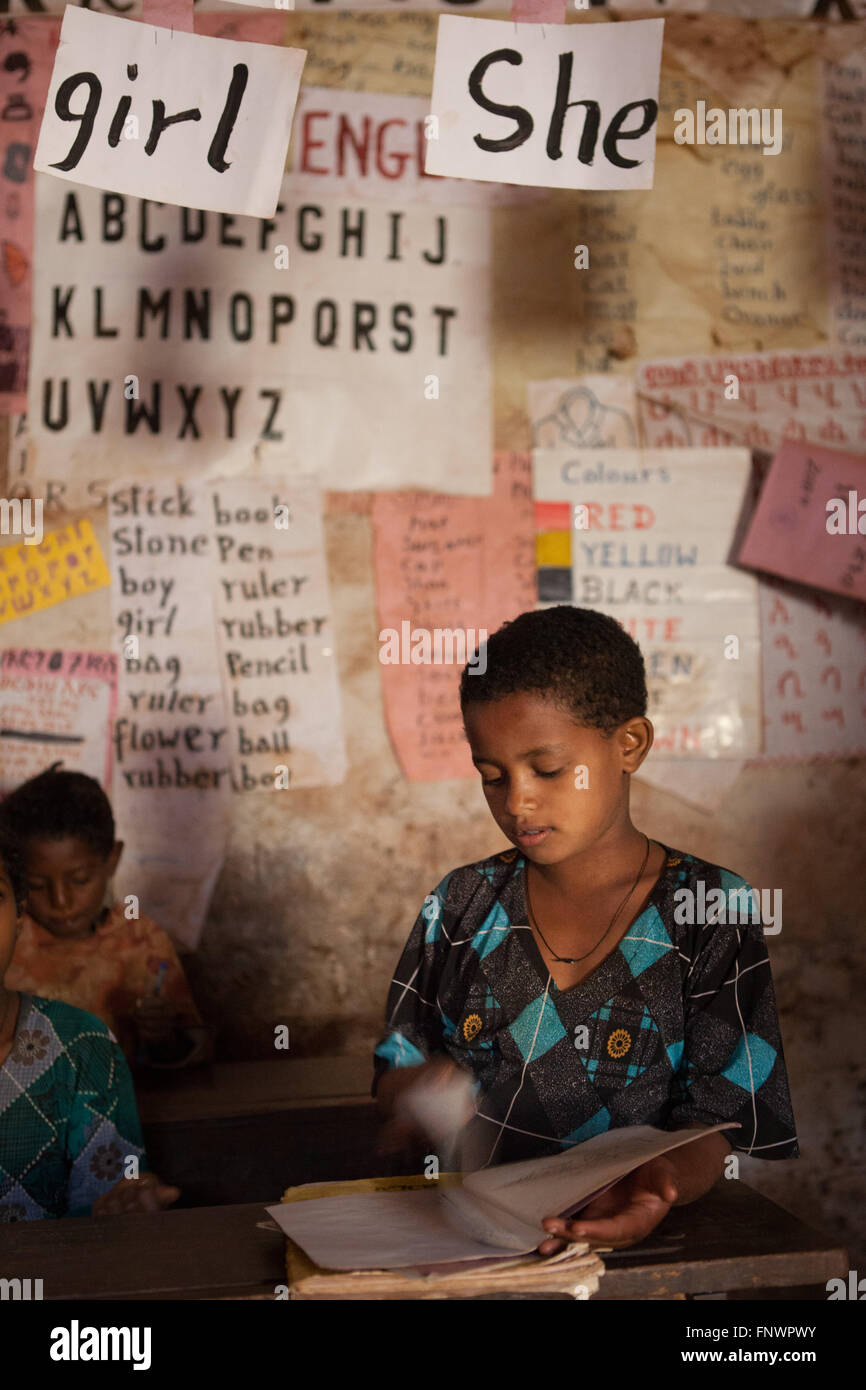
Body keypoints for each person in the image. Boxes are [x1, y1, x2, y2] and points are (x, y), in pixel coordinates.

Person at [373, 606, 798, 1253]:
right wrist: (415, 1091)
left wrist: (658, 1184)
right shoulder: (460, 905)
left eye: (546, 769)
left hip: (633, 1256)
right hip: (460, 1254)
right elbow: (397, 1063)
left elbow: (720, 1120)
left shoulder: (711, 908)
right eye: (493, 776)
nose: (517, 801)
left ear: (628, 745)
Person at [0, 828, 180, 1219]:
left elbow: (107, 1203)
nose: (62, 901)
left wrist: (115, 1211)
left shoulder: (84, 1047)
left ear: (18, 914)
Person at [0, 766, 205, 1067]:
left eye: (80, 879)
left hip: (119, 1110)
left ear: (112, 860)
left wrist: (164, 1036)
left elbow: (195, 1052)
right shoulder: (8, 939)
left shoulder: (139, 941)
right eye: (36, 886)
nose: (61, 902)